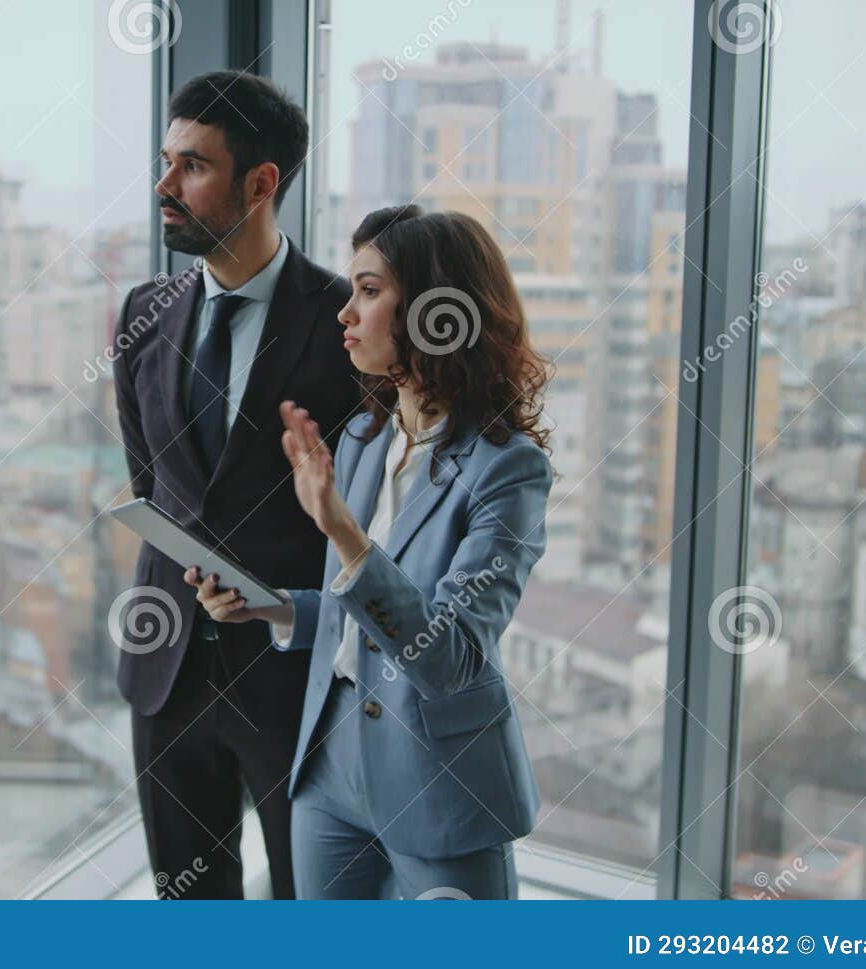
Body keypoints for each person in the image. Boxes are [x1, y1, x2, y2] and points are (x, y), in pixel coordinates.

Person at [186, 204, 554, 898]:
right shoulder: (363, 439)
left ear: (436, 312)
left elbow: (449, 659)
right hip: (330, 765)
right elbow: (351, 613)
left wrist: (342, 530)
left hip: (441, 782)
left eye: (370, 290)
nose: (345, 312)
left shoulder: (508, 469)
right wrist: (269, 608)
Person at [111, 70, 358, 899]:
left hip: (297, 682)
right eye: (165, 163)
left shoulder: (345, 324)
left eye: (192, 167)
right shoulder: (142, 313)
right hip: (167, 670)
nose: (164, 187)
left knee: (309, 906)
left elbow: (367, 519)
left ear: (260, 184)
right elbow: (156, 487)